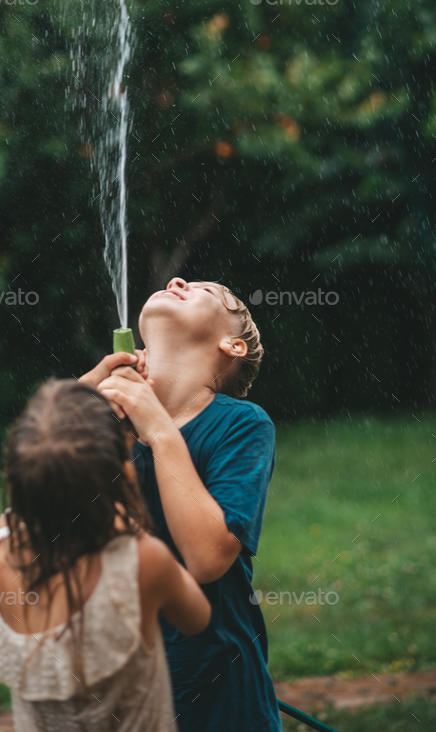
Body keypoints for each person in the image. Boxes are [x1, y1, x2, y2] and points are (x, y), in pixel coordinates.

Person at [83, 277, 283, 732]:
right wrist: (67, 423)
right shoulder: (106, 427)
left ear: (230, 346)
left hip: (221, 700)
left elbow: (208, 557)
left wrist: (159, 432)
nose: (176, 281)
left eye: (207, 291)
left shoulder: (241, 425)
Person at [0, 377, 211, 732]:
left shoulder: (1, 544)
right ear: (122, 473)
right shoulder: (142, 560)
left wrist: (72, 401)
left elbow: (53, 450)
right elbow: (198, 617)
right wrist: (163, 437)